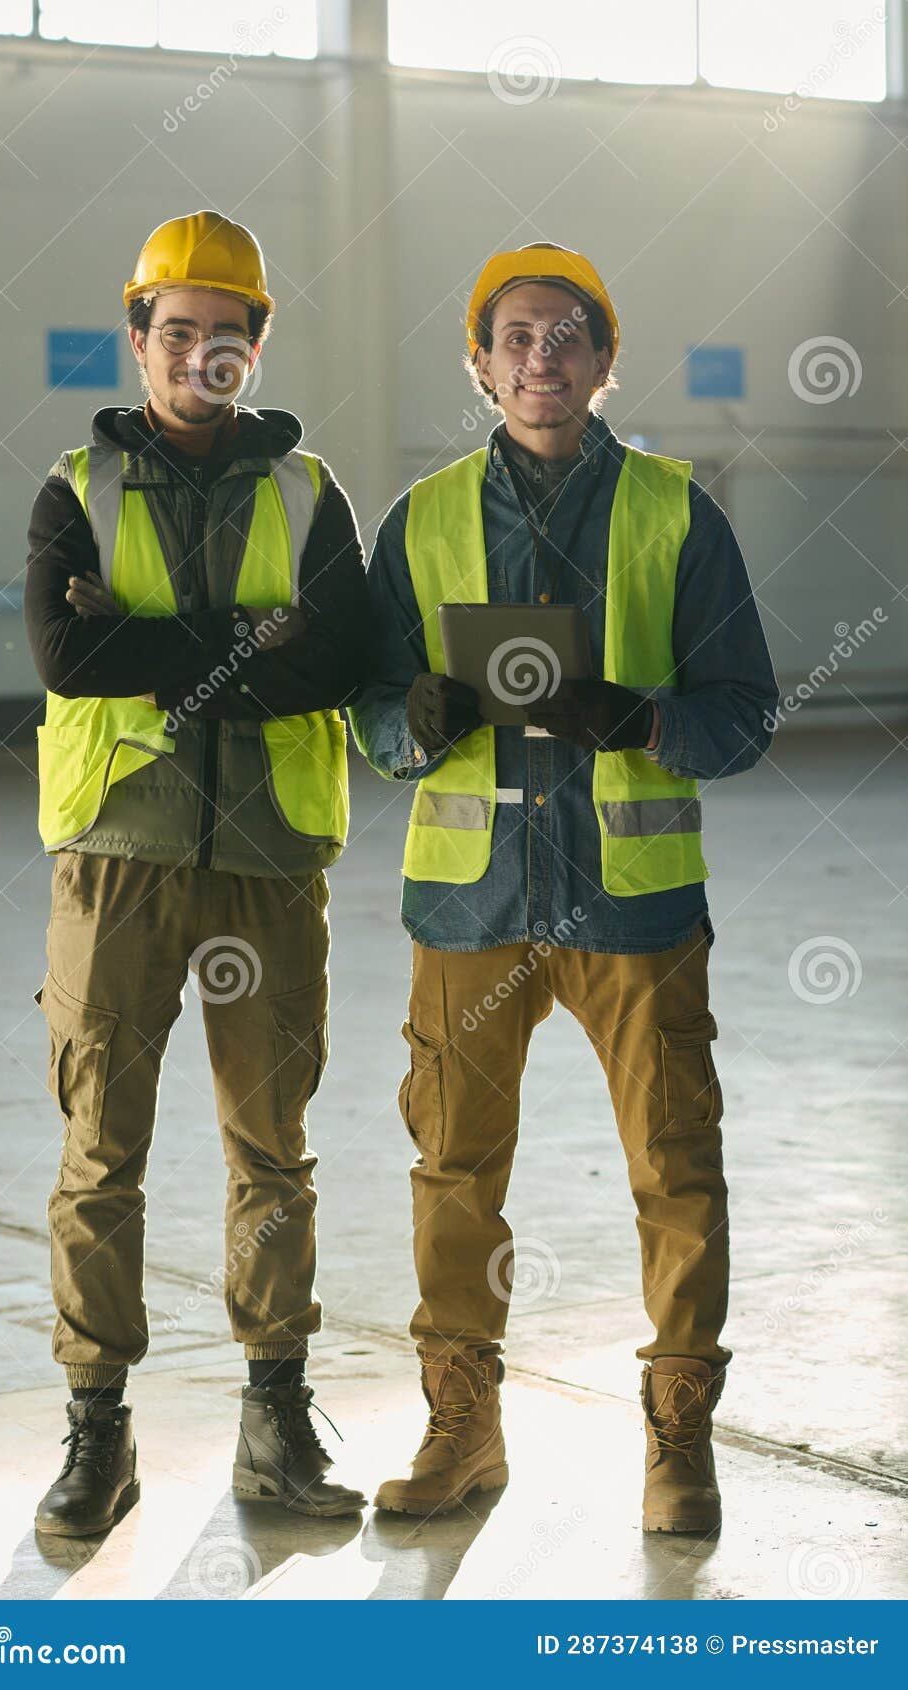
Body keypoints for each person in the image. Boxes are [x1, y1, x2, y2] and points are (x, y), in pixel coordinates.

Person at [349, 241, 779, 1532]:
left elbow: (743, 714)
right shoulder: (418, 522)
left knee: (675, 1166)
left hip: (630, 908)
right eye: (516, 336)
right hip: (471, 906)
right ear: (478, 364)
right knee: (453, 1168)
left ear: (604, 362)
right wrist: (409, 719)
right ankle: (460, 1425)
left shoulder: (672, 510)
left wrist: (644, 715)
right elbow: (368, 718)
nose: (542, 357)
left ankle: (677, 1433)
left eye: (568, 336)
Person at [25, 210, 369, 1535]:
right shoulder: (75, 486)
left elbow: (334, 659)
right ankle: (95, 1432)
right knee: (100, 1150)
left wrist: (162, 639)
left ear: (255, 346)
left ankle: (272, 1426)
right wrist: (243, 641)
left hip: (269, 859)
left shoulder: (307, 492)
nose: (202, 354)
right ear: (140, 339)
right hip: (118, 853)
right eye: (179, 331)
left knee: (270, 1152)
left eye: (228, 334)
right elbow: (65, 658)